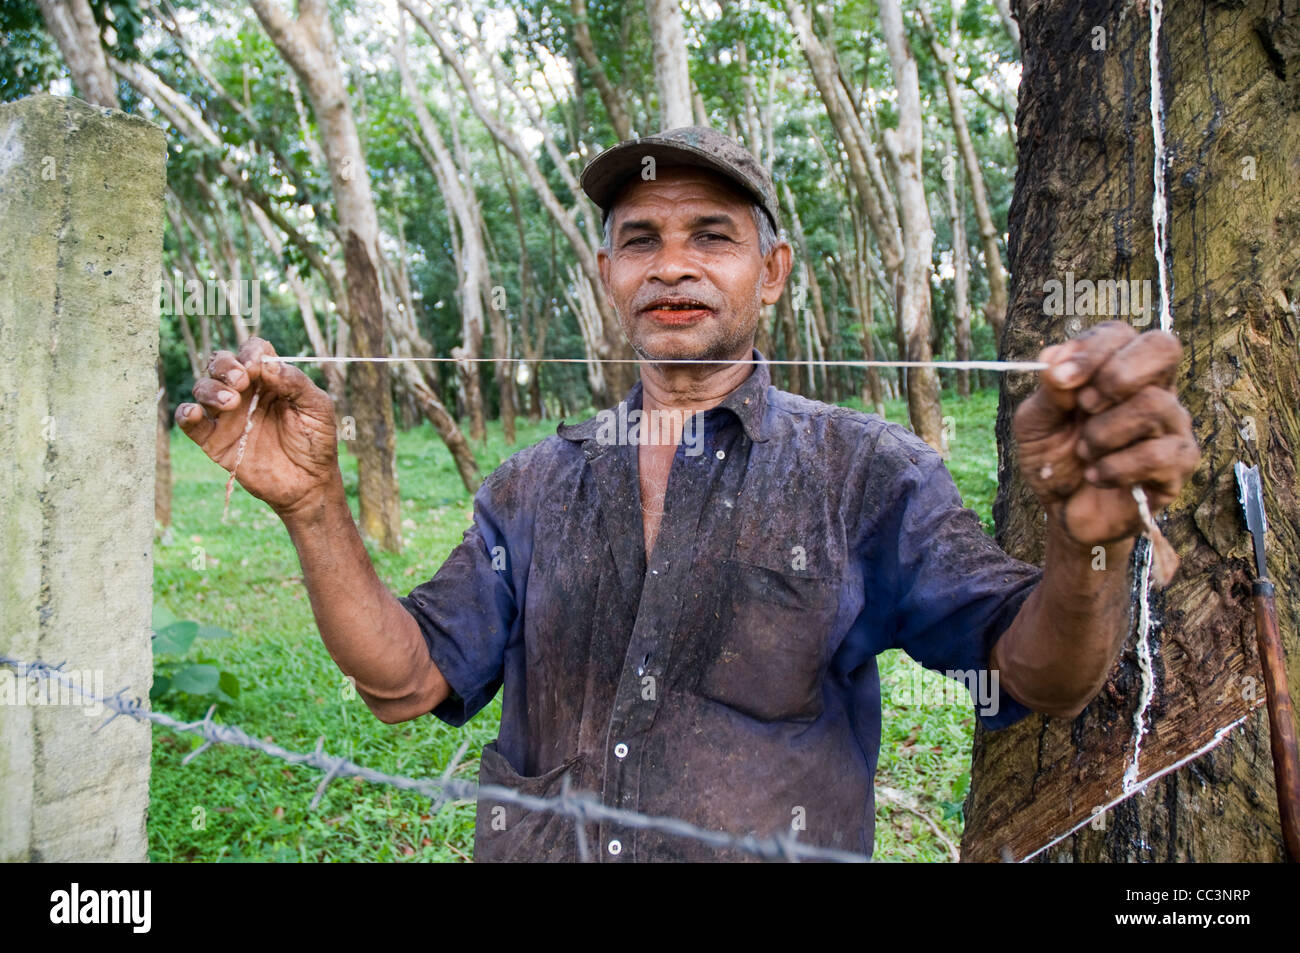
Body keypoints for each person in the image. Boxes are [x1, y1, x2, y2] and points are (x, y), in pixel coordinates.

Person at [176, 126, 1200, 862]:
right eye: (639, 239)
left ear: (773, 272)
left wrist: (1087, 545)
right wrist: (311, 502)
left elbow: (1042, 673)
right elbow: (405, 684)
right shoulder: (534, 482)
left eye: (711, 235)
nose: (673, 265)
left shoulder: (867, 472)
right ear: (604, 273)